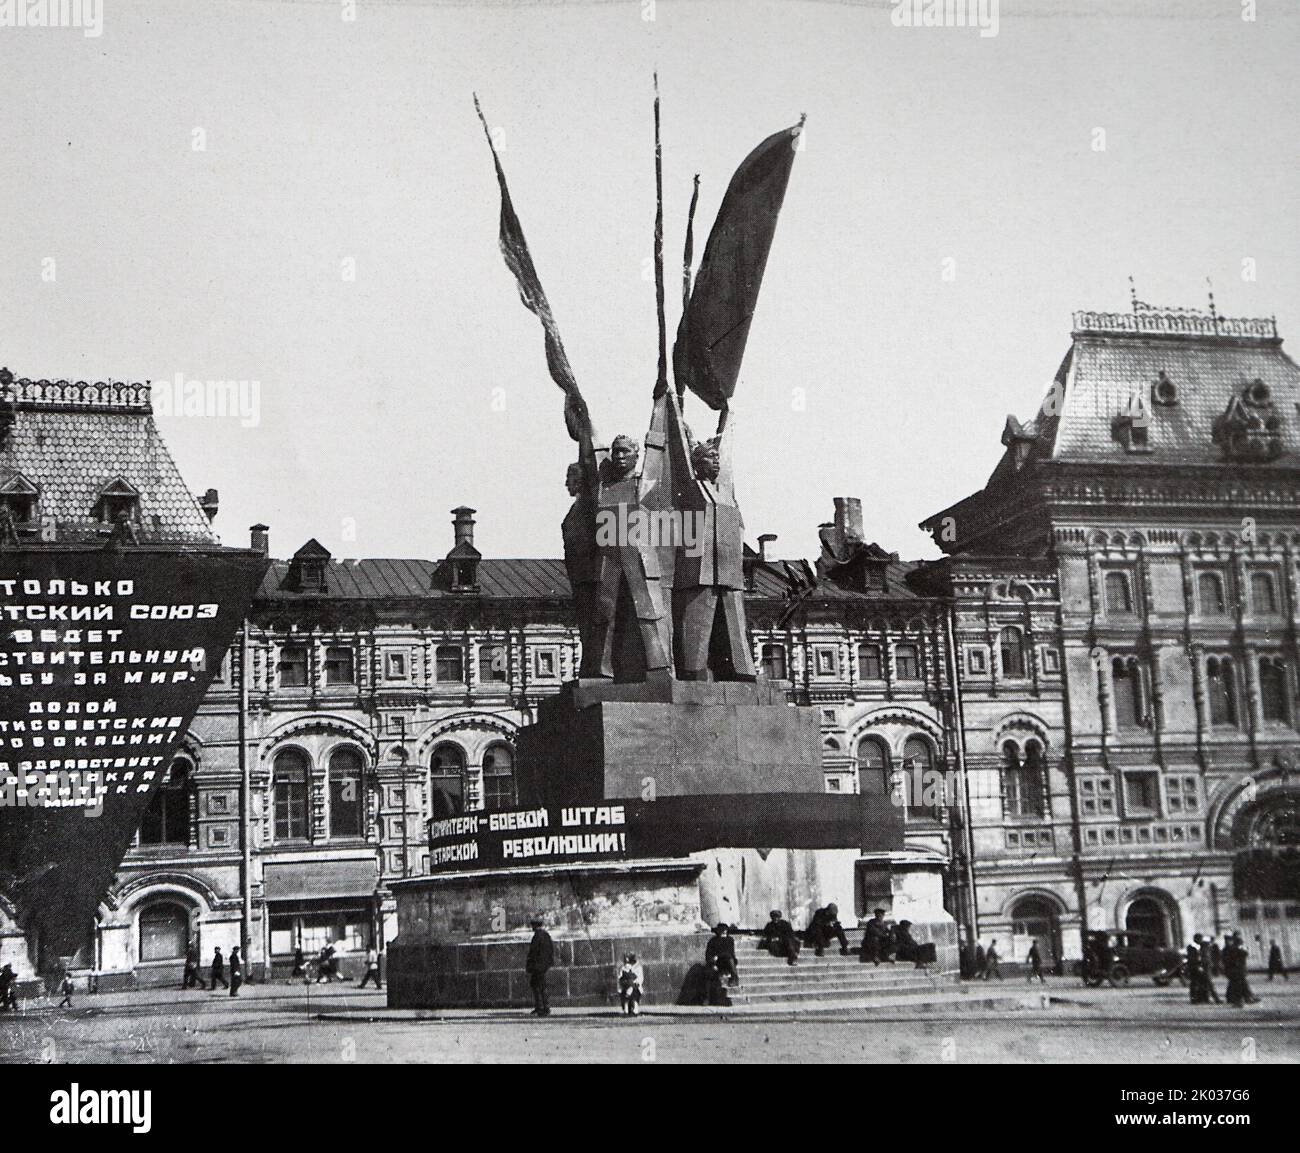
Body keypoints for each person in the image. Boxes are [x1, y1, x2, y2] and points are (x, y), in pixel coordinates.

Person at [526, 917, 554, 1017]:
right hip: (543, 966)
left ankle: (541, 1008)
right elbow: (550, 950)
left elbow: (533, 952)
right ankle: (544, 1007)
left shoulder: (537, 936)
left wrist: (530, 965)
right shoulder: (546, 935)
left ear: (534, 926)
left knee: (537, 986)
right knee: (542, 986)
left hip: (537, 966)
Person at [1224, 933, 1260, 1007]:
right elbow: (1243, 955)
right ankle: (1242, 1000)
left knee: (1240, 985)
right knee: (1238, 986)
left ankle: (1246, 998)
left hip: (1237, 971)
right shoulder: (1232, 949)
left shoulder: (1232, 949)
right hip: (1236, 971)